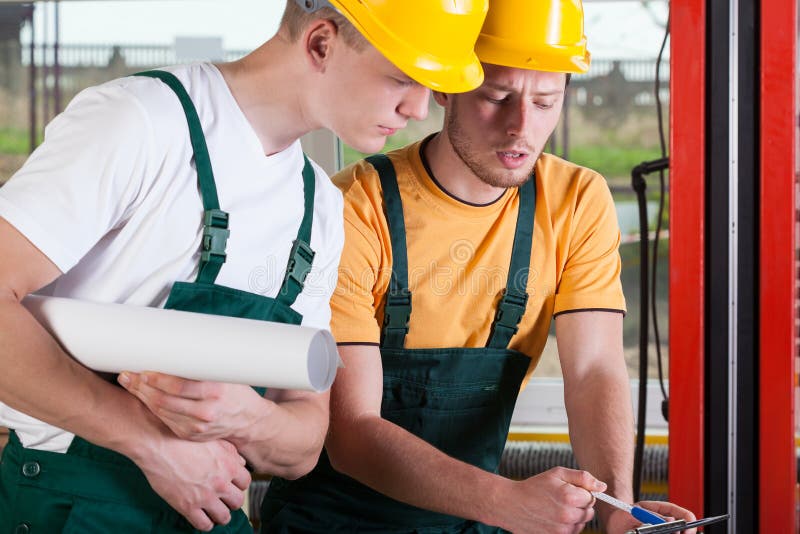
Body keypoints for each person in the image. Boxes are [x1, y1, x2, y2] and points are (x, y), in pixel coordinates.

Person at [0, 0, 489, 532]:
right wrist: (150, 442)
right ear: (321, 43)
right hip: (66, 502)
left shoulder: (318, 206)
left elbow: (303, 440)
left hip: (209, 511)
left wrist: (248, 418)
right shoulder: (142, 122)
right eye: (402, 79)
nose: (419, 110)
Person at [259, 1, 698, 533]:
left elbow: (593, 371)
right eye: (497, 96)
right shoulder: (354, 208)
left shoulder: (577, 202)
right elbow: (353, 431)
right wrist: (506, 503)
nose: (521, 127)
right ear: (445, 86)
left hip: (473, 518)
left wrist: (617, 510)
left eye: (545, 101)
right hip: (330, 521)